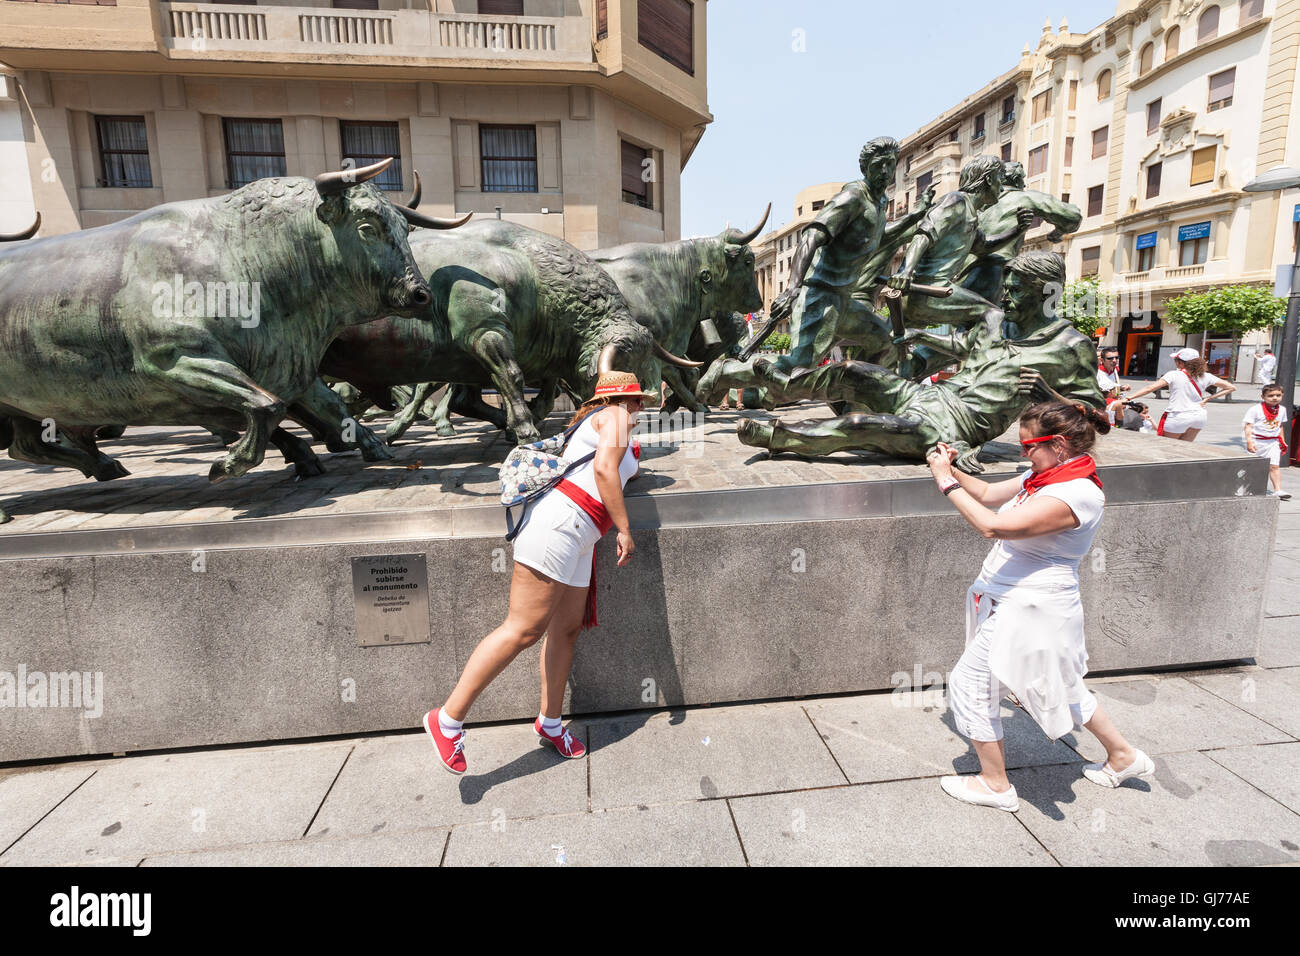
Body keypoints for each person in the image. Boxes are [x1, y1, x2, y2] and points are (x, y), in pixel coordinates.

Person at [926, 400, 1154, 810]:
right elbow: (986, 493)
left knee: (970, 685)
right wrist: (950, 467)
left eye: (1030, 445)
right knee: (1061, 685)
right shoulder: (1044, 476)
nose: (1023, 452)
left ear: (1060, 444)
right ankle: (1124, 757)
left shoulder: (1076, 493)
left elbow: (992, 526)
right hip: (1020, 601)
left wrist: (945, 483)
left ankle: (995, 785)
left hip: (1031, 607)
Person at [423, 370, 652, 774]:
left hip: (581, 533)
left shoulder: (613, 427)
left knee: (565, 629)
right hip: (562, 524)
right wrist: (626, 530)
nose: (640, 408)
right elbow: (602, 472)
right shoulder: (613, 415)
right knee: (523, 629)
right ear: (619, 400)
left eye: (642, 403)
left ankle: (550, 723)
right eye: (638, 401)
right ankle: (447, 719)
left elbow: (610, 470)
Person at [736, 252, 1104, 471]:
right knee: (850, 371)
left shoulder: (1071, 346)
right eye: (1006, 286)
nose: (1006, 294)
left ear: (1044, 292)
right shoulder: (994, 321)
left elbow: (1097, 420)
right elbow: (964, 348)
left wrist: (1049, 397)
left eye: (1017, 289)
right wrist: (923, 336)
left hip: (955, 426)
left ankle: (776, 436)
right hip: (930, 395)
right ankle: (785, 385)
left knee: (860, 424)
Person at [1126, 347, 1236, 442]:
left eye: (1176, 360)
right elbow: (1231, 387)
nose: (1175, 362)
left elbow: (1150, 388)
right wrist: (1208, 398)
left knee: (1168, 448)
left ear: (1181, 362)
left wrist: (1129, 397)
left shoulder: (1173, 374)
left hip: (1178, 415)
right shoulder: (1206, 376)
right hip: (1199, 416)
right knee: (1184, 448)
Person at [1243, 384, 1291, 500]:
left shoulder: (1282, 410)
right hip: (1257, 441)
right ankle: (1246, 488)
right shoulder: (1255, 409)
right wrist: (1249, 442)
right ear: (1263, 396)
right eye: (1270, 395)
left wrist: (1282, 440)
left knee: (1274, 466)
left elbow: (1280, 426)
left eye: (1278, 395)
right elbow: (1248, 426)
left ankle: (1278, 490)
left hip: (1272, 442)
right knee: (1252, 466)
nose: (1275, 398)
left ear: (1282, 395)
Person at [1096, 347, 1130, 425]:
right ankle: (1117, 428)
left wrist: (1122, 388)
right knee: (1119, 404)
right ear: (1102, 360)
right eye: (1110, 358)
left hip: (1114, 401)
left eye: (1116, 357)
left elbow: (1113, 387)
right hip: (1101, 404)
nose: (1114, 360)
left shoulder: (1115, 370)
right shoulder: (1096, 373)